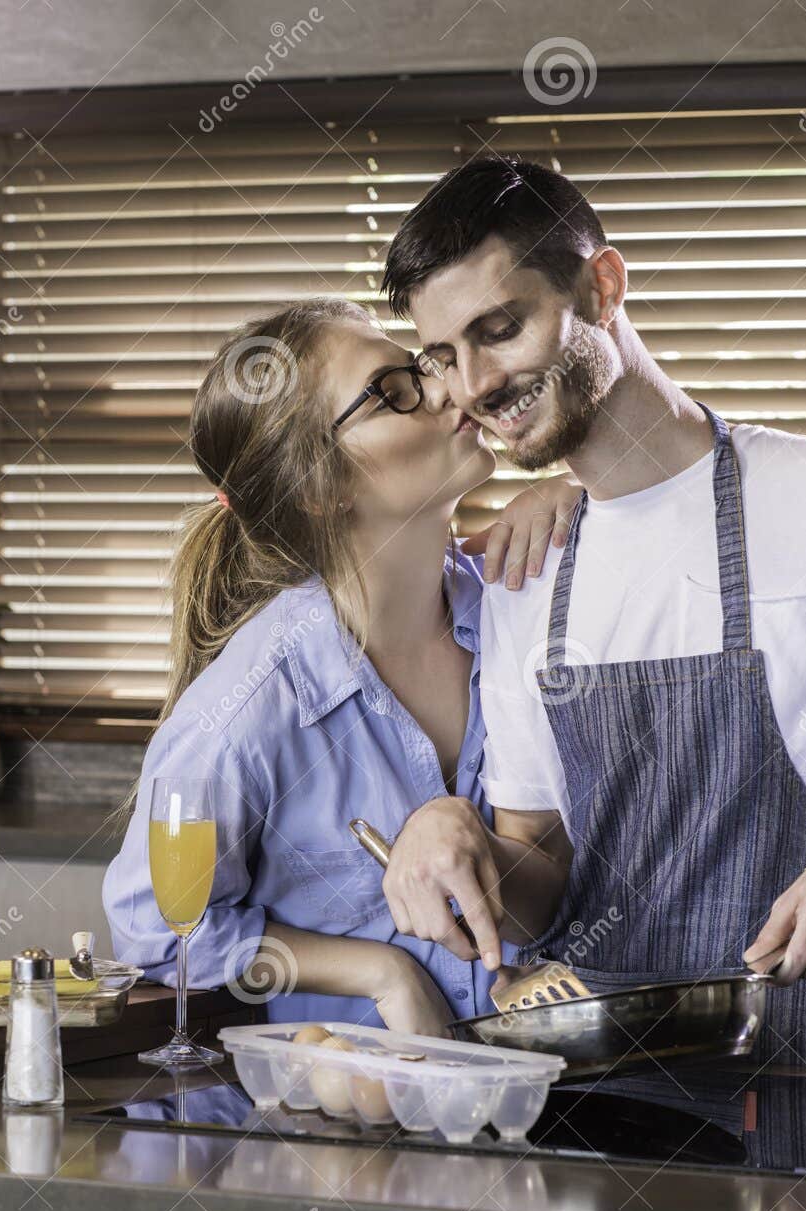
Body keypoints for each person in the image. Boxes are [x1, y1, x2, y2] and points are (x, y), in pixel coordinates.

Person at [377, 154, 806, 1076]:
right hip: (592, 1086)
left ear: (601, 287)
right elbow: (542, 873)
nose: (474, 383)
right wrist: (453, 837)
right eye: (444, 356)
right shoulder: (529, 566)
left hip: (802, 1066)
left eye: (501, 328)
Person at [103, 297, 571, 1034]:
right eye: (395, 391)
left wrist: (585, 498)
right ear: (321, 488)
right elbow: (159, 926)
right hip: (346, 1128)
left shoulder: (521, 612)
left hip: (543, 1103)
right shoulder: (245, 709)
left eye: (421, 366)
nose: (451, 386)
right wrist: (381, 971)